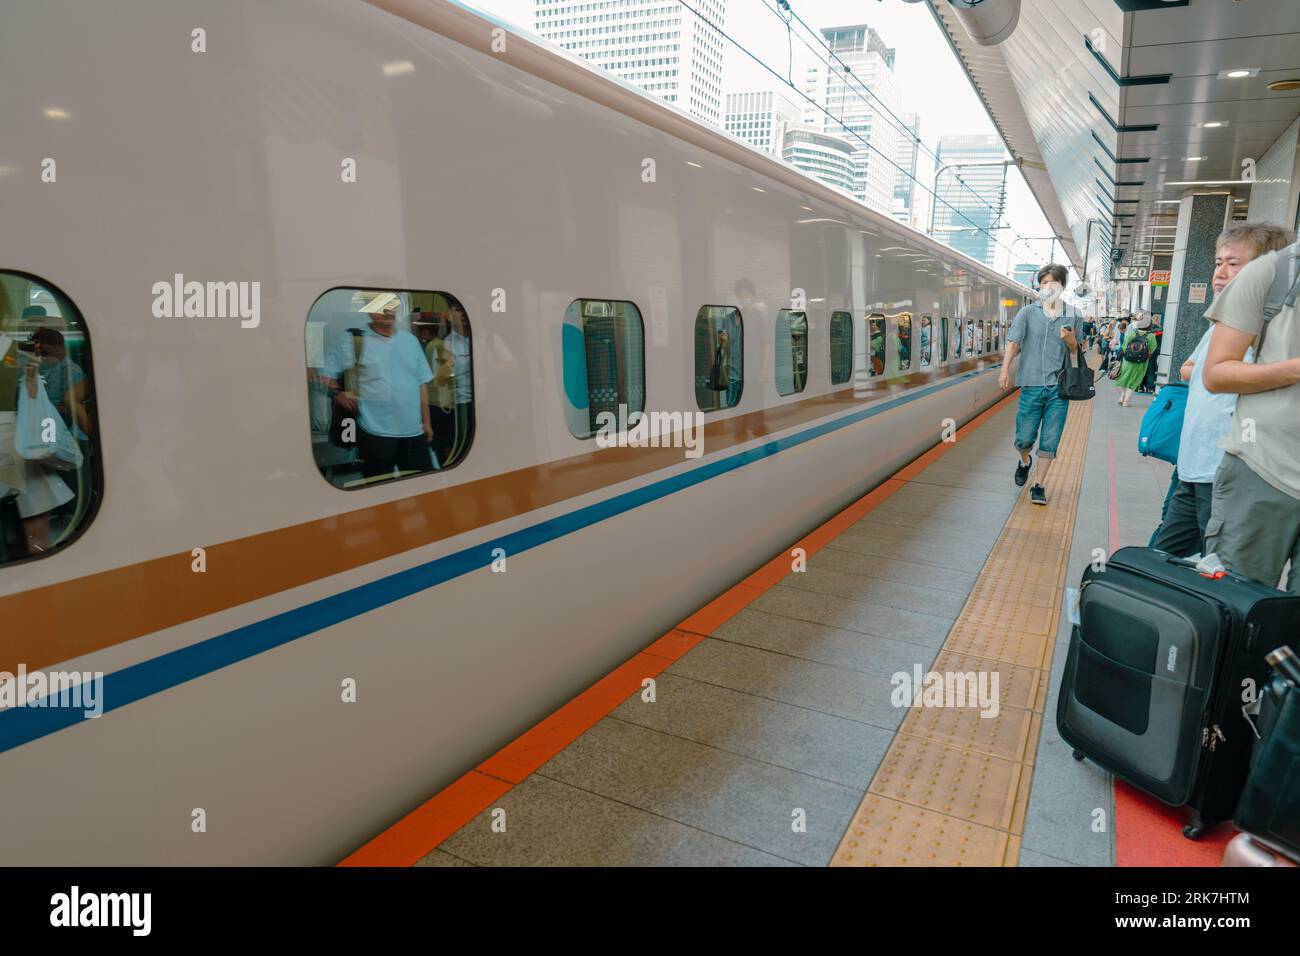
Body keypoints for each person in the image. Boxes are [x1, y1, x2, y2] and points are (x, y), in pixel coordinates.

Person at [1150, 224, 1294, 557]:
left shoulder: (1274, 326)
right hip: (1191, 469)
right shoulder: (1223, 325)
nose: (1220, 273)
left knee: (1219, 570)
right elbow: (1193, 369)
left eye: (1234, 264)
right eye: (1218, 263)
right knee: (1164, 558)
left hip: (1228, 472)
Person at [1201, 228, 1300, 593]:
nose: (1221, 270)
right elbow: (1215, 373)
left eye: (1231, 262)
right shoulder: (1274, 272)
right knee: (1234, 607)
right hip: (1263, 468)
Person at [998, 263, 1081, 506]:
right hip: (1031, 384)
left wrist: (1072, 341)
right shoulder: (1027, 312)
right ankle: (1025, 461)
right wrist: (1005, 370)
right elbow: (1013, 343)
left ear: (1062, 286)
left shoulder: (1073, 315)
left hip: (1059, 388)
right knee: (1024, 439)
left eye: (1052, 283)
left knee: (1050, 440)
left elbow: (1077, 354)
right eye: (1043, 283)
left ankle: (1039, 485)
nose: (1047, 287)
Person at [324, 300, 434, 481]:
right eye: (380, 305)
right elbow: (326, 374)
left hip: (413, 433)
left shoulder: (410, 341)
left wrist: (427, 423)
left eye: (391, 304)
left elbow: (422, 384)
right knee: (380, 491)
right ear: (369, 310)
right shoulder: (353, 340)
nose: (387, 310)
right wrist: (337, 394)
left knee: (424, 487)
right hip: (375, 433)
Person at [1115, 312, 1155, 406]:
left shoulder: (1132, 333)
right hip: (1141, 363)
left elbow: (1124, 347)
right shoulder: (1151, 336)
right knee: (1134, 381)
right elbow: (1152, 350)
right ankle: (1126, 401)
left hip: (1128, 361)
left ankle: (1122, 396)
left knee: (1124, 378)